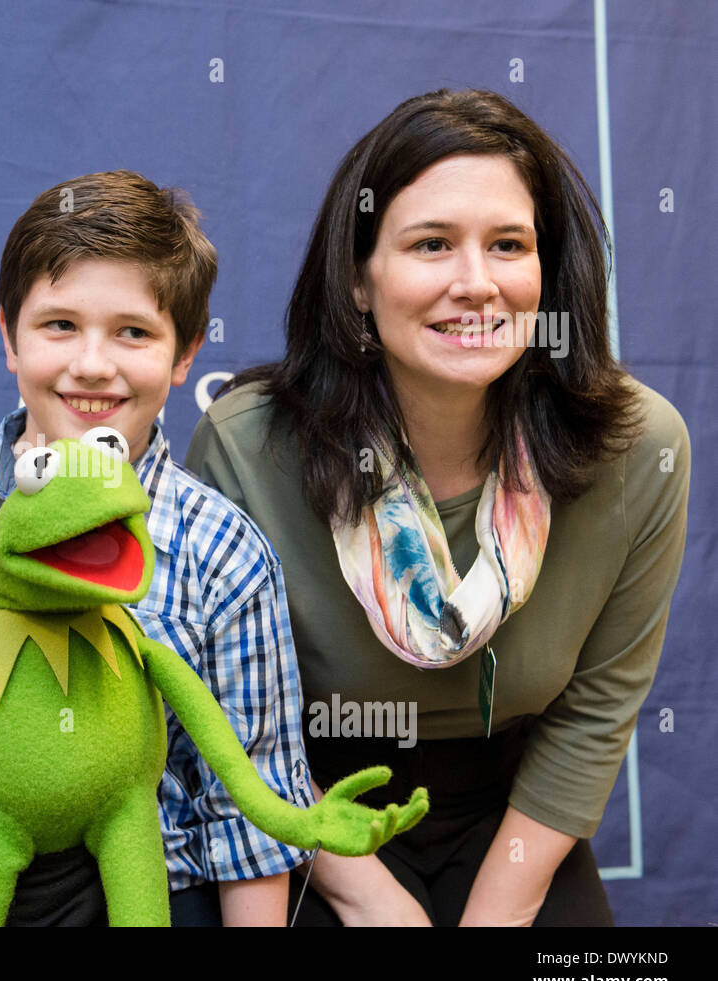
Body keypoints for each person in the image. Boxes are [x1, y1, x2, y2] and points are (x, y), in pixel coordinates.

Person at [185, 88, 690, 926]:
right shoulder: (247, 445)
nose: (477, 284)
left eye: (508, 246)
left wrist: (495, 912)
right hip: (309, 809)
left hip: (516, 820)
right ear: (357, 279)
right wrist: (371, 898)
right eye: (431, 245)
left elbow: (596, 714)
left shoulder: (638, 448)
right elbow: (229, 723)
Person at [0, 170, 316, 926]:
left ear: (185, 356)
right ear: (8, 336)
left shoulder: (224, 550)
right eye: (59, 326)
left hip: (150, 894)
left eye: (134, 332)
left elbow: (251, 808)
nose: (91, 364)